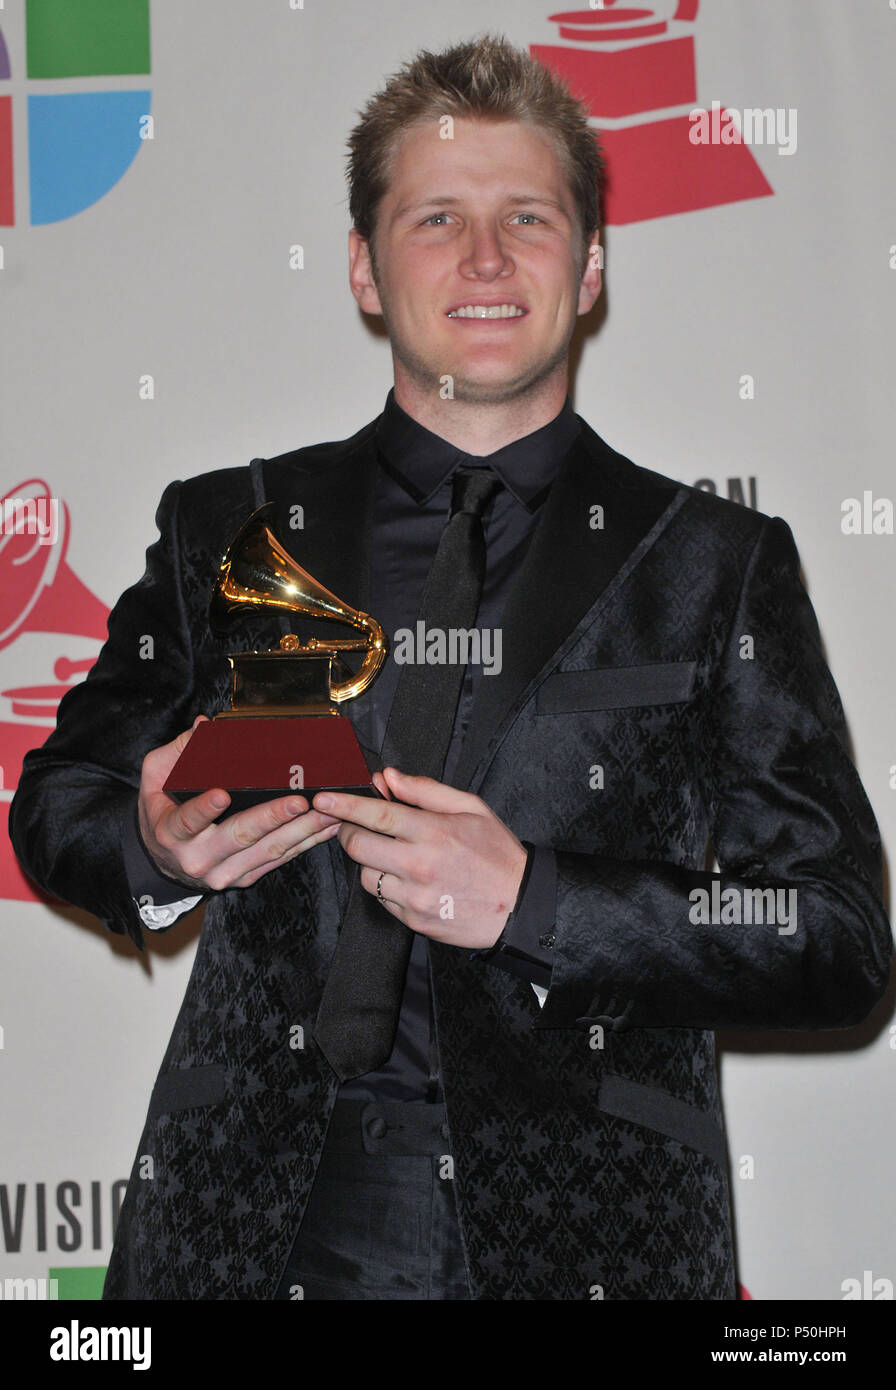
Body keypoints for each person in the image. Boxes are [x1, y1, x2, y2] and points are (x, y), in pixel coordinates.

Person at [10, 34, 892, 1302]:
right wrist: (152, 845)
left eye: (525, 217)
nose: (484, 260)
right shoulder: (229, 525)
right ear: (366, 272)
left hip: (591, 1248)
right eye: (437, 219)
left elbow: (834, 936)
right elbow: (59, 800)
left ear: (587, 267)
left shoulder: (716, 564)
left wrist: (538, 898)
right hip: (248, 1238)